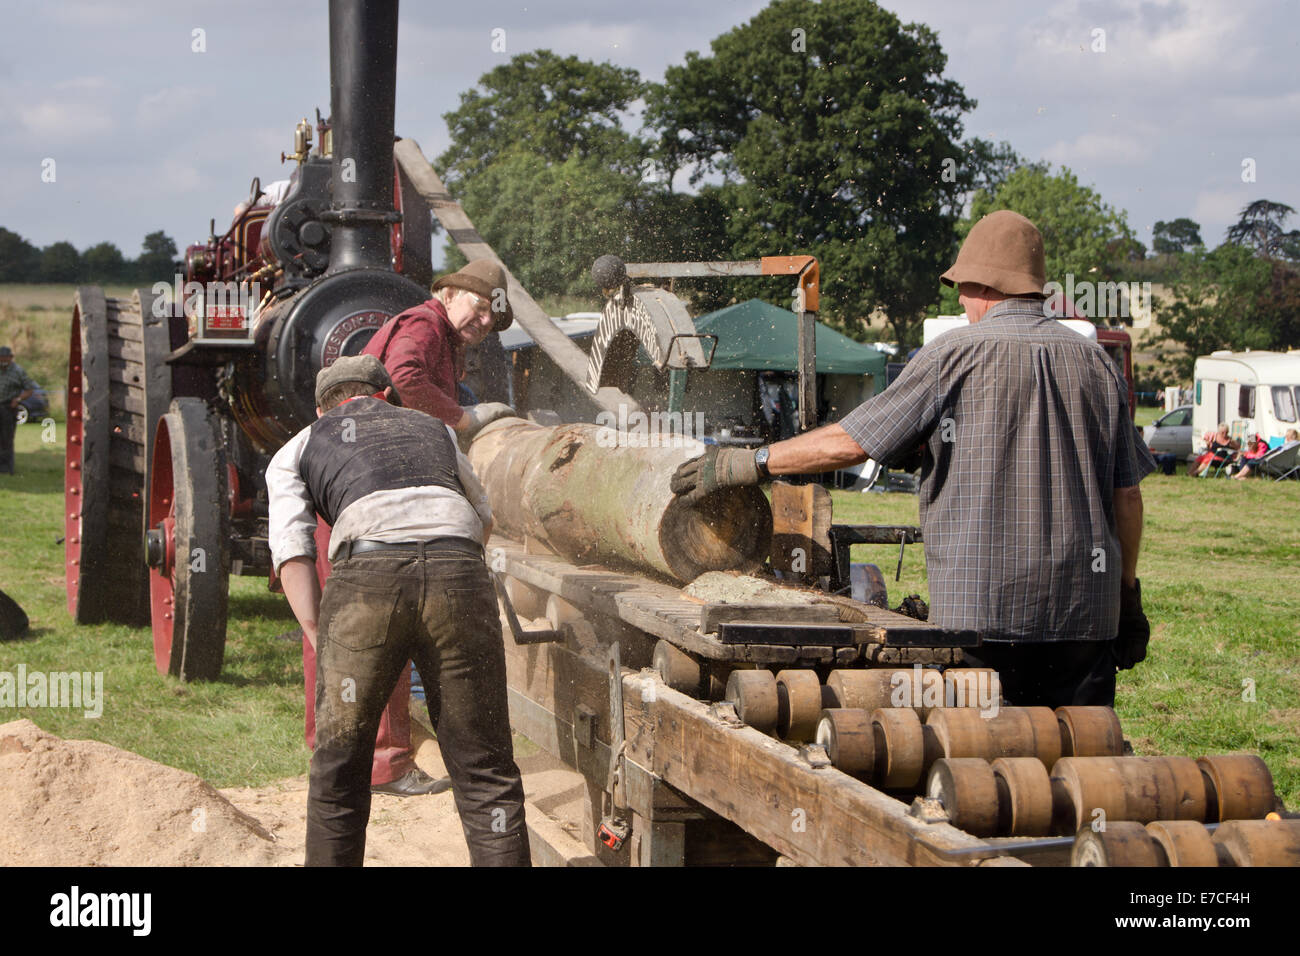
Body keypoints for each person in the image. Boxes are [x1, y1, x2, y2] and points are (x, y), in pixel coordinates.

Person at [672, 210, 1154, 708]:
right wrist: (1127, 593)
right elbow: (1129, 495)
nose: (963, 302)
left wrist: (751, 461)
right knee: (1087, 769)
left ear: (981, 285)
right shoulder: (1097, 363)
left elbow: (854, 440)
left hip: (981, 620)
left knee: (986, 774)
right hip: (1085, 619)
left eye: (962, 290)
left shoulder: (954, 354)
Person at [267, 354, 530, 866]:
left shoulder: (297, 447)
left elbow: (292, 551)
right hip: (460, 571)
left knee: (339, 769)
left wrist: (324, 636)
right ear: (386, 395)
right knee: (485, 768)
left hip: (367, 578)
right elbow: (482, 519)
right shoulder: (435, 430)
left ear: (323, 412)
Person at [362, 258, 516, 435]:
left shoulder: (450, 339)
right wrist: (461, 419)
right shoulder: (426, 323)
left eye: (494, 315)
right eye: (480, 306)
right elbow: (402, 378)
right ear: (449, 296)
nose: (487, 320)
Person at [0, 346, 37, 476]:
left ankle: (6, 468)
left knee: (7, 438)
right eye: (1, 358)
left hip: (8, 407)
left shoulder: (18, 371)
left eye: (5, 357)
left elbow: (30, 389)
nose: (3, 360)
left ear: (10, 358)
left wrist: (19, 399)